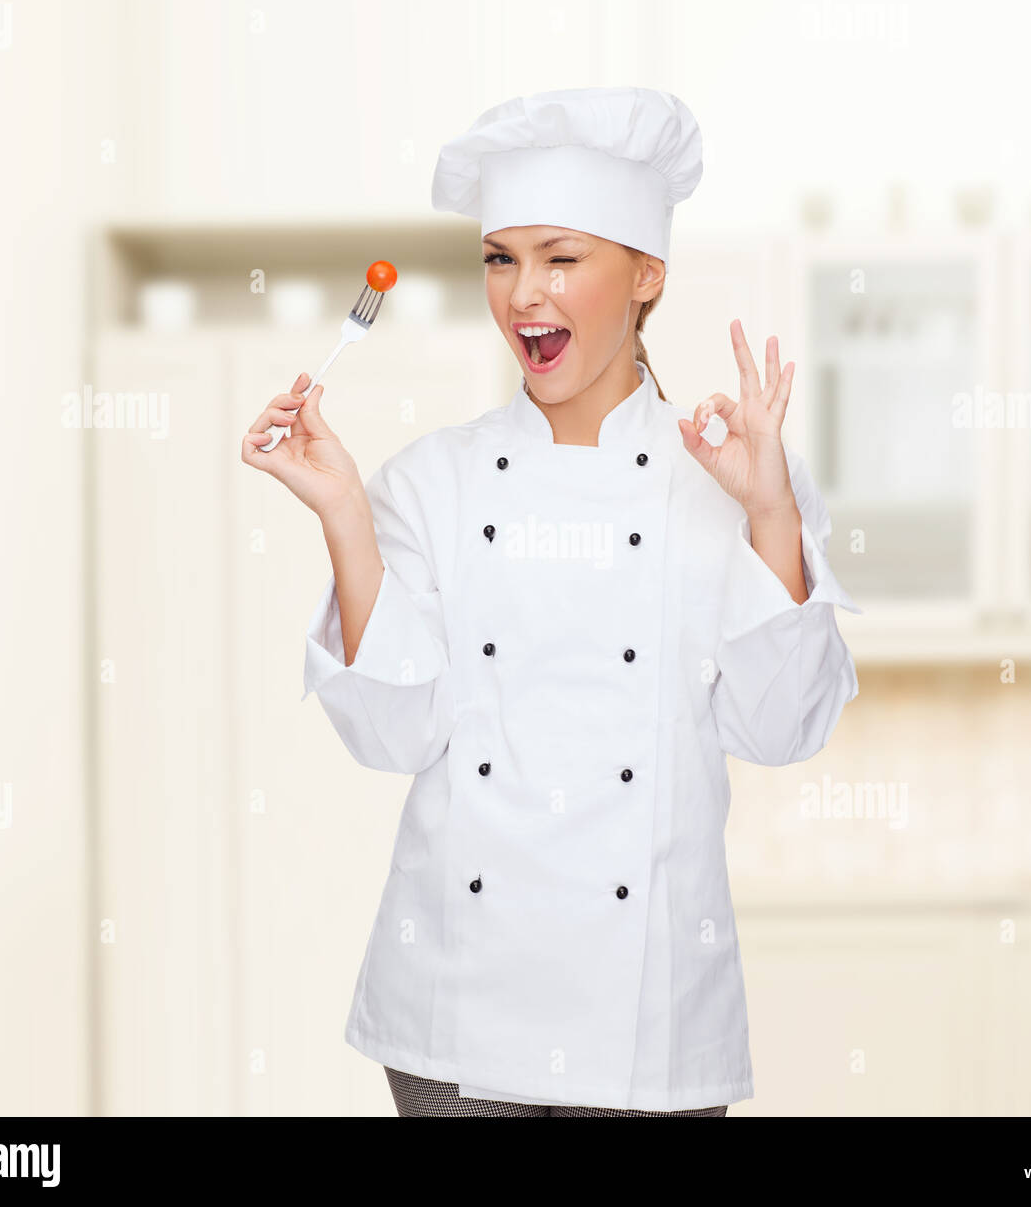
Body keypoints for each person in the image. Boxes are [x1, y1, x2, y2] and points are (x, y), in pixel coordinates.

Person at [240, 86, 862, 1117]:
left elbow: (783, 727)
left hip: (650, 1023)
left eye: (560, 257)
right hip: (457, 1019)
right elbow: (394, 734)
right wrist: (344, 511)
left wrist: (769, 516)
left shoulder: (734, 475)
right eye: (500, 257)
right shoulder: (431, 482)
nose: (524, 293)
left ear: (646, 275)